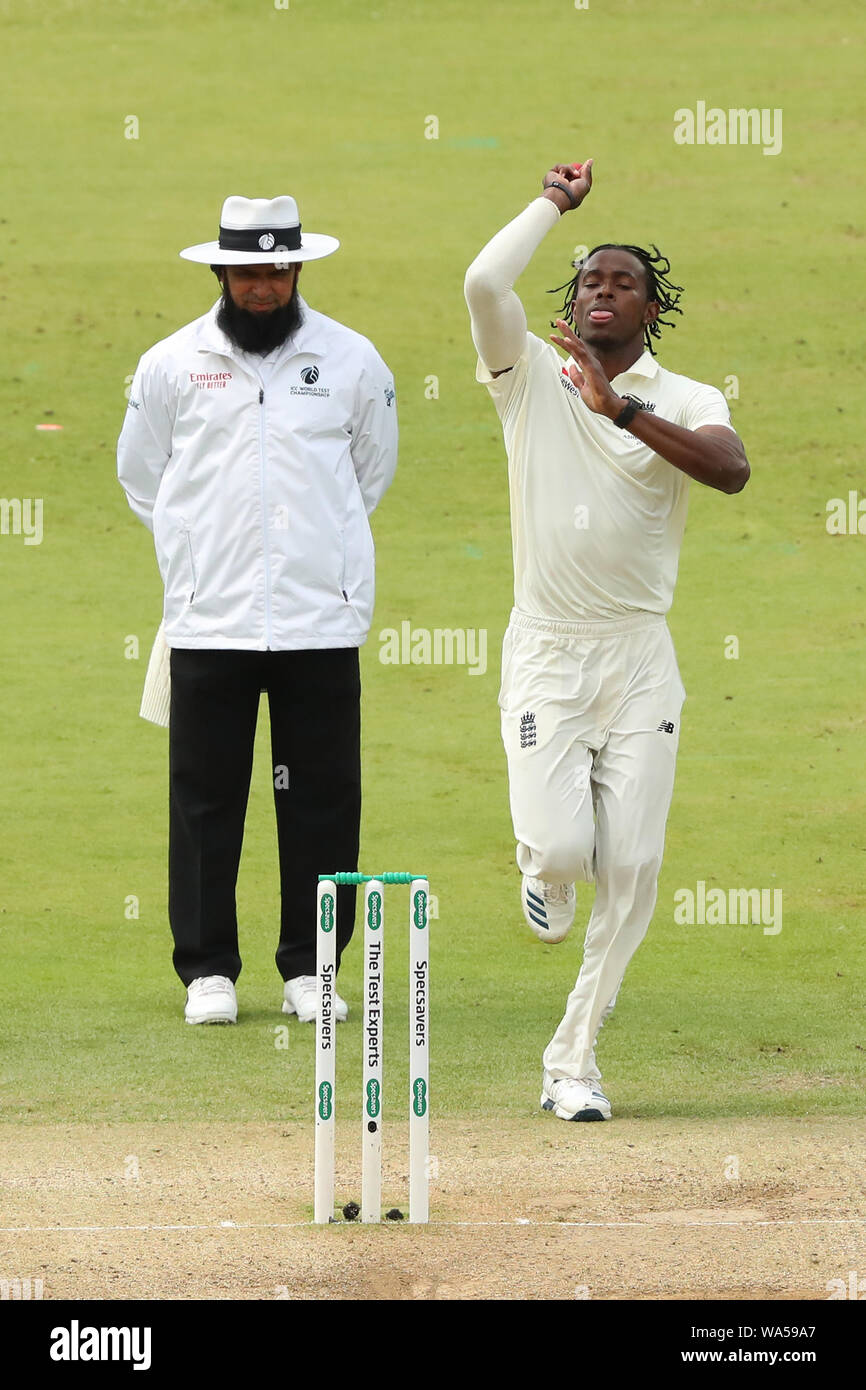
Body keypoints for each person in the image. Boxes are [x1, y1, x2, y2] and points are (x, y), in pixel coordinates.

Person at [464, 160, 749, 1121]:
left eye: (622, 281)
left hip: (638, 656)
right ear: (571, 302)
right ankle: (542, 871)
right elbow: (481, 284)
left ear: (651, 307)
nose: (601, 291)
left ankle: (572, 1063)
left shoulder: (688, 394)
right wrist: (554, 204)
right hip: (547, 646)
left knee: (631, 871)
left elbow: (730, 471)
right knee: (560, 849)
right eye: (588, 280)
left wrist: (622, 409)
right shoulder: (526, 375)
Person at [118, 195, 397, 1026]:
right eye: (249, 271)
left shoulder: (351, 360)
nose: (264, 286)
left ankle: (311, 969)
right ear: (222, 273)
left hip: (321, 619)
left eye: (277, 269)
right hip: (211, 620)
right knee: (205, 795)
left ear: (298, 267)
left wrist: (319, 551)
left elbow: (368, 474)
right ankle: (208, 969)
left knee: (322, 795)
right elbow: (144, 479)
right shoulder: (172, 363)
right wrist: (199, 556)